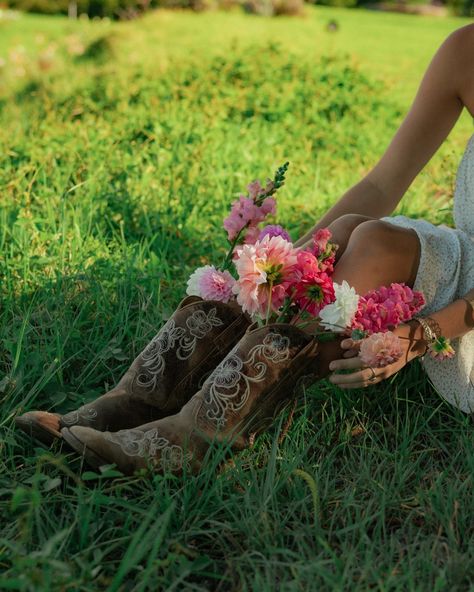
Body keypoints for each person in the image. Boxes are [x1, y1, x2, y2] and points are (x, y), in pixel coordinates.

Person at [16, 24, 474, 474]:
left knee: (369, 243)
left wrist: (421, 335)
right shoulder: (464, 49)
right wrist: (282, 266)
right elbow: (381, 183)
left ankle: (198, 436)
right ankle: (139, 401)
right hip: (463, 256)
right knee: (346, 231)